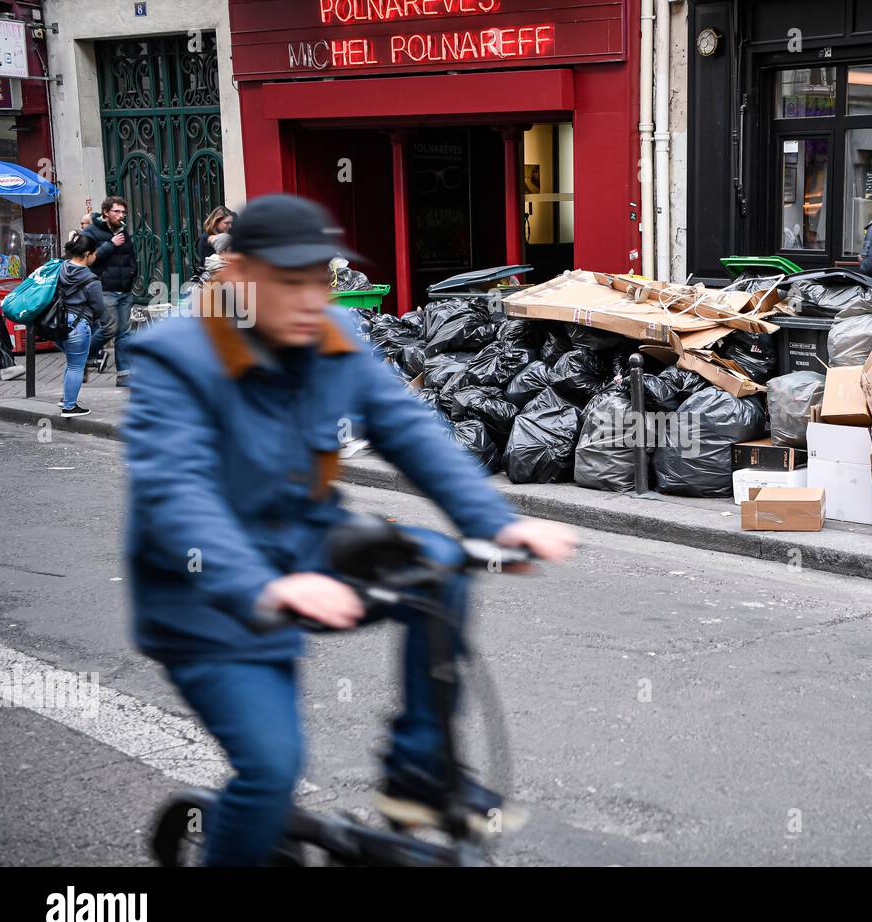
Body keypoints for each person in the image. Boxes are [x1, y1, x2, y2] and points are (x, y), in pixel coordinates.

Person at [123, 193, 577, 866]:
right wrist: (266, 587)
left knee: (439, 564)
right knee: (272, 770)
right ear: (237, 275)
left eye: (321, 280)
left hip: (308, 541)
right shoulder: (176, 358)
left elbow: (410, 431)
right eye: (291, 282)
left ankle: (418, 772)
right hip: (206, 594)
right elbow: (174, 493)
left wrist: (498, 525)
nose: (313, 298)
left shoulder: (331, 338)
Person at [82, 195, 137, 384]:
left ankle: (124, 375)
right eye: (117, 211)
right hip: (104, 289)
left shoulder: (123, 230)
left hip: (125, 289)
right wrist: (111, 244)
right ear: (106, 212)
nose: (121, 215)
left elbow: (130, 256)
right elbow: (88, 259)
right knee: (109, 329)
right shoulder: (91, 232)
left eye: (123, 212)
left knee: (124, 333)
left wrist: (132, 274)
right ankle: (80, 355)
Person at [57, 232, 109, 417]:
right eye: (95, 253)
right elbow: (99, 307)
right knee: (76, 366)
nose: (96, 257)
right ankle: (69, 407)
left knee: (71, 362)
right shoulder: (91, 279)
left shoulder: (61, 268)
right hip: (78, 325)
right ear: (88, 254)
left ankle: (66, 398)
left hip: (57, 324)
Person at [196, 205, 234, 270]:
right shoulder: (206, 239)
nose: (230, 226)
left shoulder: (228, 235)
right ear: (216, 222)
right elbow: (210, 264)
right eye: (226, 223)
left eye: (231, 223)